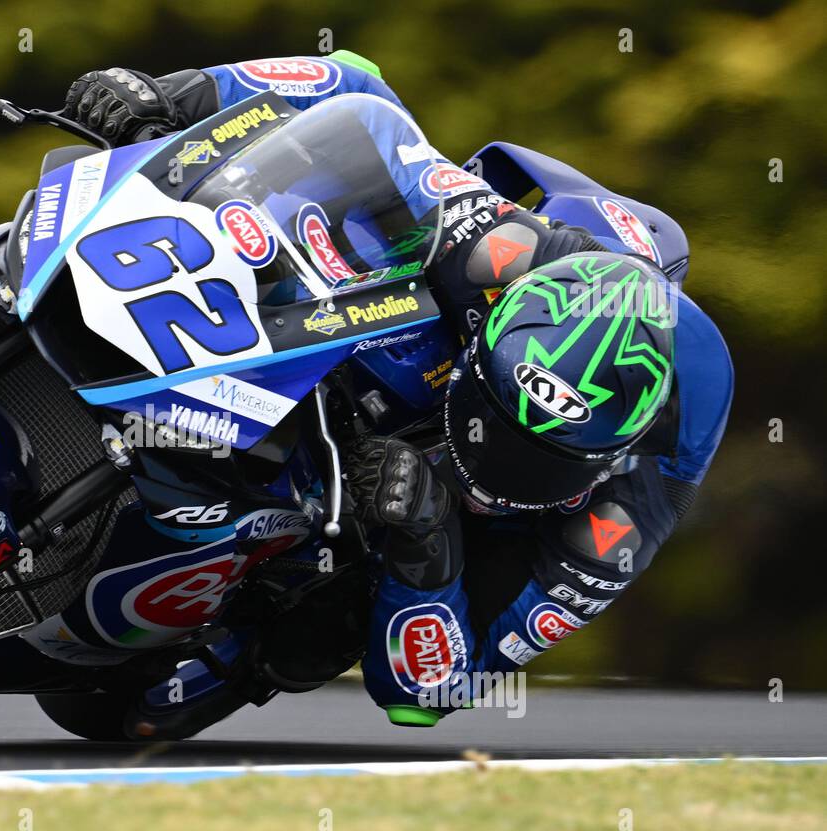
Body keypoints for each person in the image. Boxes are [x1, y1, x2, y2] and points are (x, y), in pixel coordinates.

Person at [52, 52, 734, 726]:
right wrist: (174, 95)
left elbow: (436, 694)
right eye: (495, 429)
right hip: (406, 311)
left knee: (311, 643)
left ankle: (253, 624)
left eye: (538, 460)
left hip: (449, 523)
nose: (493, 478)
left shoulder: (632, 501)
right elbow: (358, 87)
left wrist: (427, 541)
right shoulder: (488, 247)